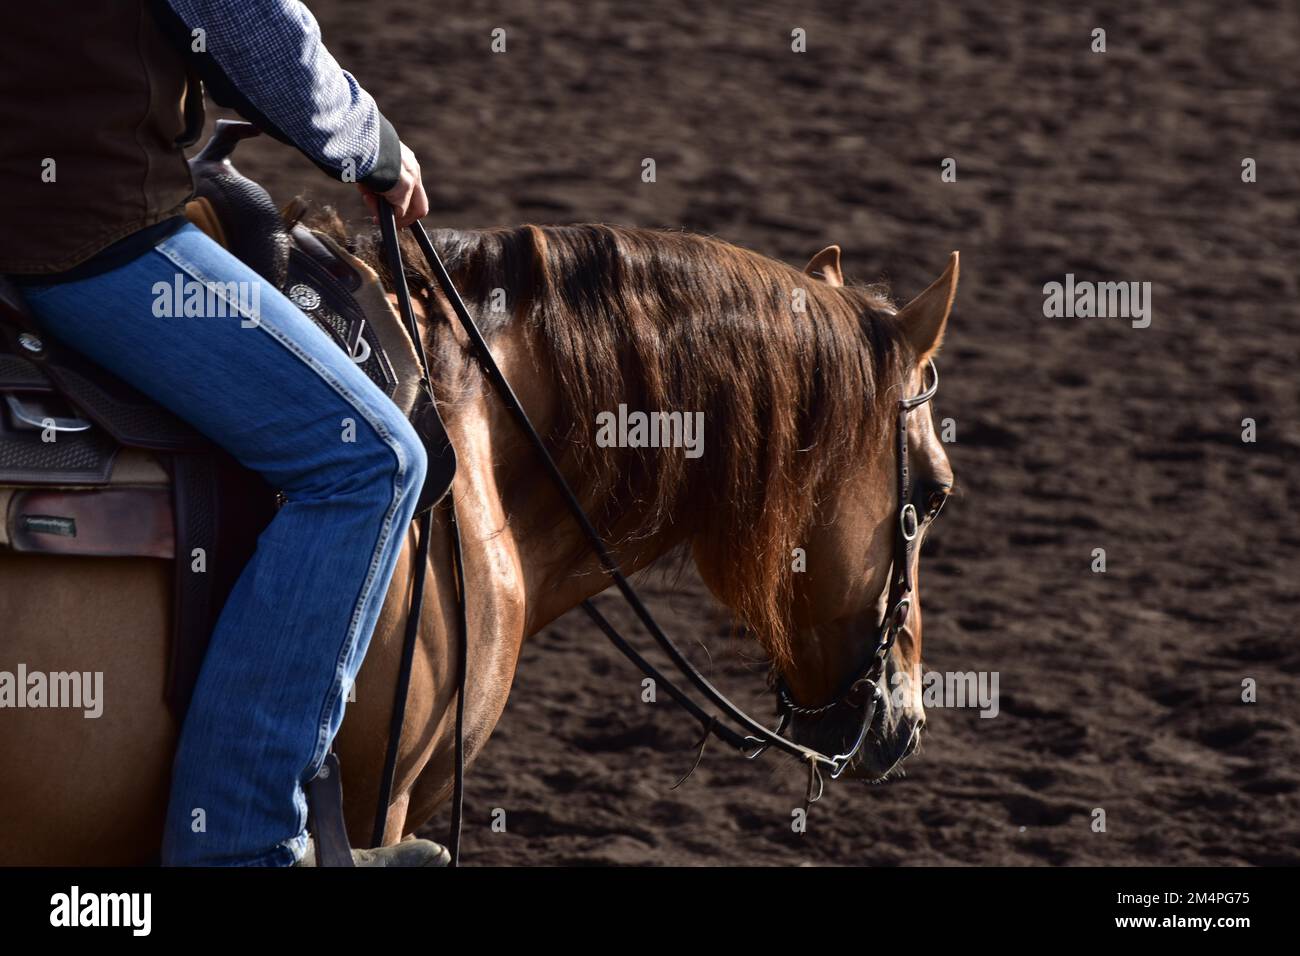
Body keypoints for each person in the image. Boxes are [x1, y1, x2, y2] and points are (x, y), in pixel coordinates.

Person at [0, 0, 447, 867]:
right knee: (373, 461)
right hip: (82, 230)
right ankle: (241, 842)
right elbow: (248, 24)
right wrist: (371, 144)